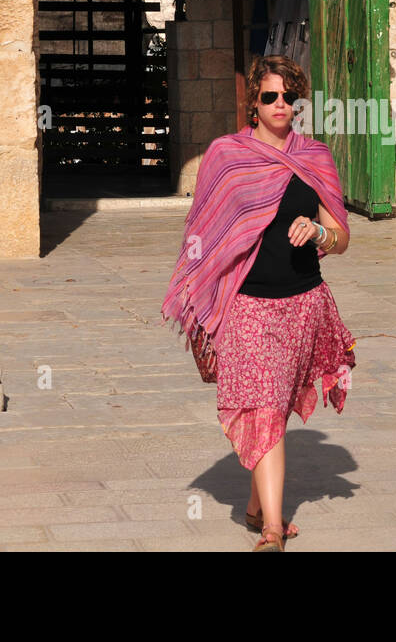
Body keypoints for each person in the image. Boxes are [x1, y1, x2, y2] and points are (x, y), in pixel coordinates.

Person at [160, 54, 355, 551]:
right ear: (253, 100)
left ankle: (254, 508)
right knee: (265, 406)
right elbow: (203, 231)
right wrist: (199, 283)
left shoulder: (315, 157)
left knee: (276, 407)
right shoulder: (227, 156)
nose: (281, 105)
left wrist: (319, 233)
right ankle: (273, 529)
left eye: (290, 97)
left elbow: (342, 235)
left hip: (303, 302)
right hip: (248, 304)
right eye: (270, 96)